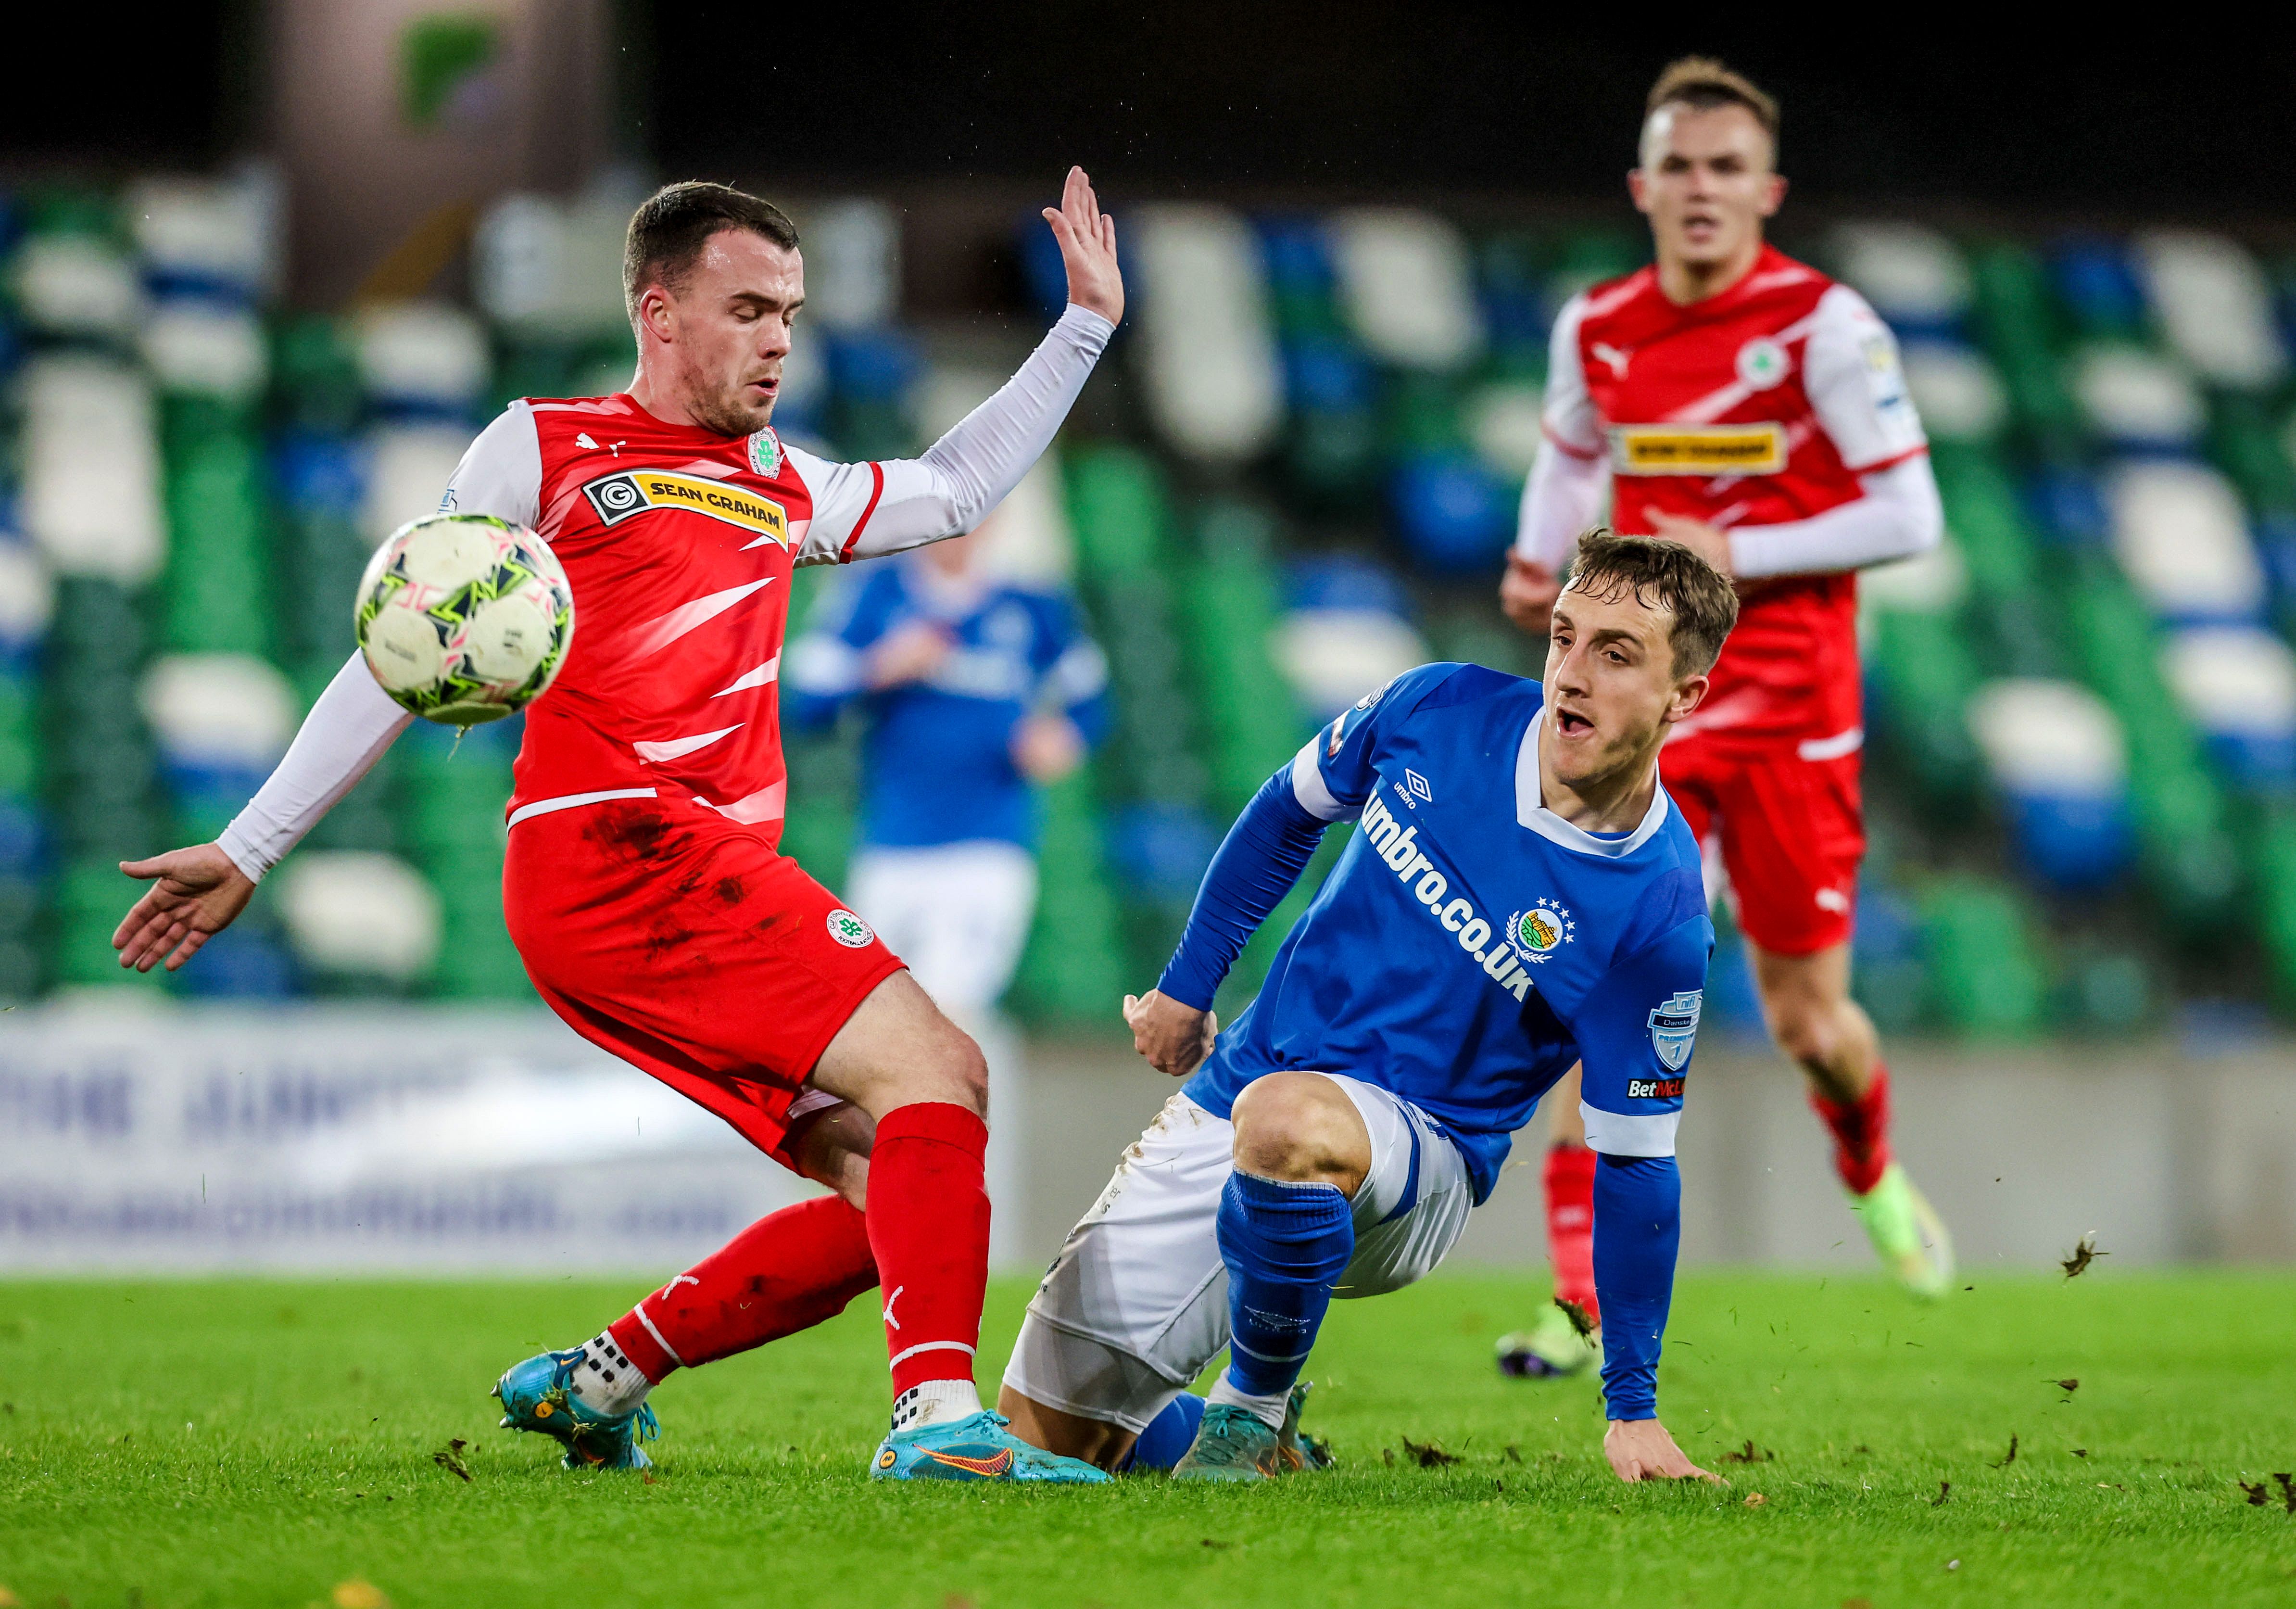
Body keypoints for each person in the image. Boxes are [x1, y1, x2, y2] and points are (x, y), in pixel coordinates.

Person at [109, 170, 1126, 1484]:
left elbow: (946, 490)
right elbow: (402, 646)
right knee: (944, 1069)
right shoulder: (542, 445)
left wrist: (1082, 325)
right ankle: (937, 1428)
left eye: (792, 314)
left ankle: (597, 1381)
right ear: (658, 312)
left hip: (685, 879)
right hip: (617, 845)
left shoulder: (777, 483)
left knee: (906, 1189)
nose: (777, 339)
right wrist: (251, 843)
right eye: (748, 308)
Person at [997, 532, 1736, 1482]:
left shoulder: (1658, 910)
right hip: (1243, 1087)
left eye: (1615, 652)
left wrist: (1630, 1407)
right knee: (1041, 1444)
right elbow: (1284, 812)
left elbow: (1635, 1164)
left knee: (1286, 1118)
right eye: (1562, 636)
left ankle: (1251, 1414)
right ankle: (1267, 1446)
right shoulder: (1439, 706)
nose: (1570, 674)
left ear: (1686, 694)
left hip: (1424, 1154)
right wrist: (1187, 987)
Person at [1496, 59, 1953, 1379]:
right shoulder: (1596, 325)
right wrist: (1543, 560)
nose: (1700, 189)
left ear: (1766, 190)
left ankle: (1867, 1173)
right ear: (1641, 188)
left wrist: (1730, 546)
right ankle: (1573, 1303)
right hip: (1663, 711)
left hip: (1797, 716)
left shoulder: (1819, 325)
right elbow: (1571, 458)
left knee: (1809, 1020)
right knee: (1594, 975)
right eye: (1677, 167)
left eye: (1724, 167)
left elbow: (1907, 514)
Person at [782, 513, 1109, 1261]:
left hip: (988, 849)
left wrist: (1063, 738)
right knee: (871, 1031)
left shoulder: (1031, 607)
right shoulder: (877, 597)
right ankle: (869, 1213)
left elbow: (1091, 698)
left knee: (953, 1020)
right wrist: (881, 668)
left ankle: (946, 1212)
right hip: (893, 846)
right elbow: (803, 696)